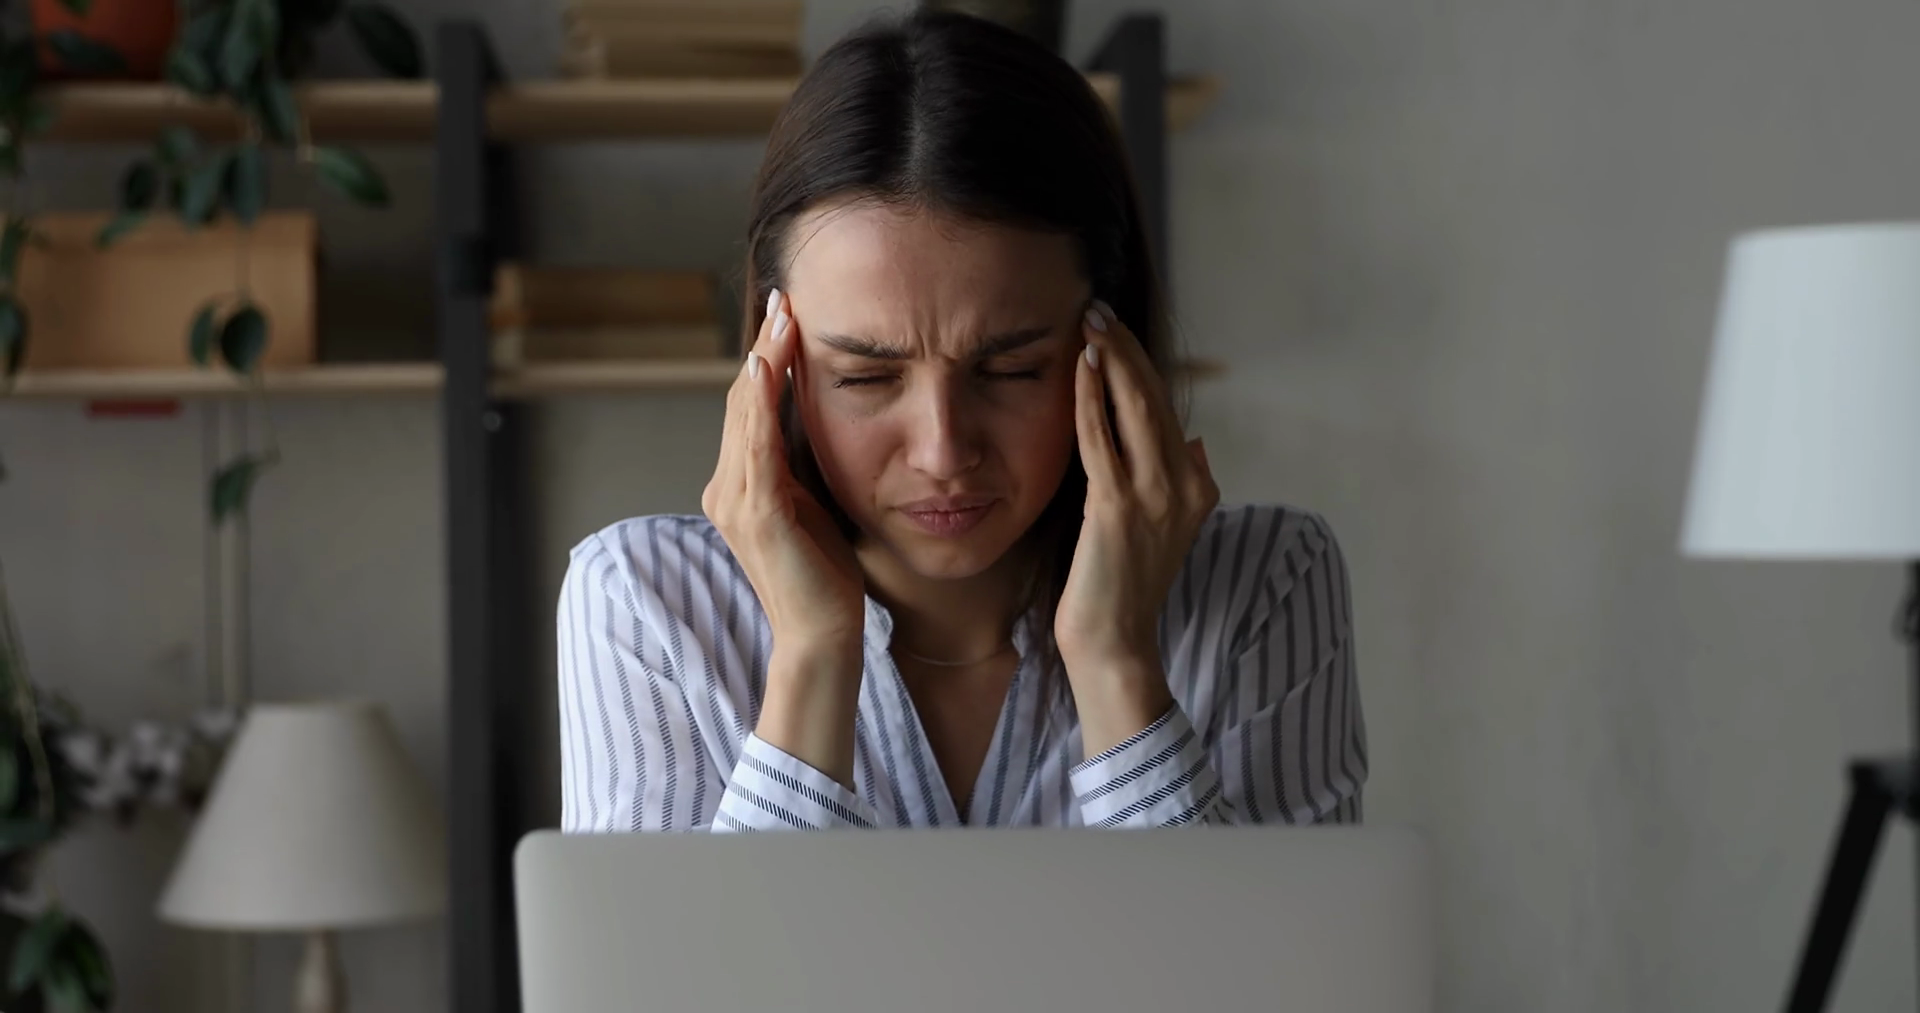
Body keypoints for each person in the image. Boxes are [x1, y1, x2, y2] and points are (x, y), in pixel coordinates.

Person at [556, 10, 1366, 832]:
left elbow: (1271, 928)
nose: (943, 450)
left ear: (1111, 345)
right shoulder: (647, 603)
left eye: (1010, 370)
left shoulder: (1263, 585)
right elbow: (705, 934)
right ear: (782, 365)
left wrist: (1116, 658)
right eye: (866, 376)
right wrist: (811, 658)